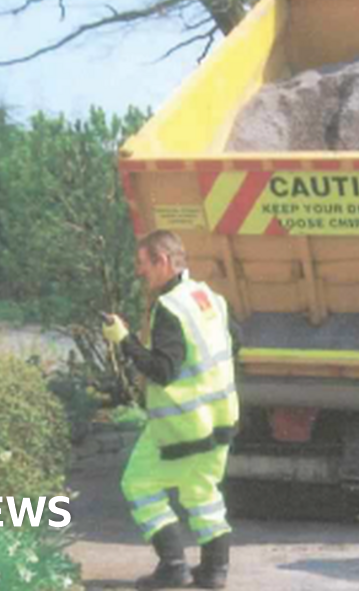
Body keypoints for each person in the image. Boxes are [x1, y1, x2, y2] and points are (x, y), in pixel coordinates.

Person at [102, 230, 240, 590]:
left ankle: (173, 565)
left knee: (138, 485)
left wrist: (124, 341)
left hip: (181, 425)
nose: (139, 273)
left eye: (142, 264)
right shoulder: (209, 298)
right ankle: (214, 572)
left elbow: (163, 370)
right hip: (220, 419)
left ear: (162, 261)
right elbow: (232, 345)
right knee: (202, 493)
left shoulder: (169, 307)